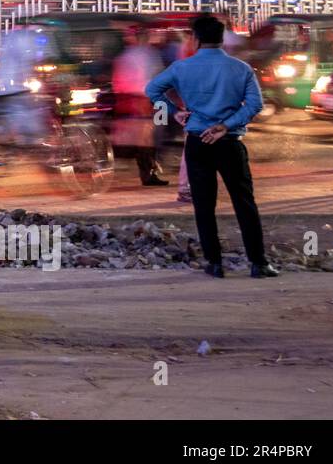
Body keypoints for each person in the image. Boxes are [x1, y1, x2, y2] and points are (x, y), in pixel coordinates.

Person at [145, 14, 277, 278]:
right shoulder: (241, 68)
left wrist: (176, 112)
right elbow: (254, 105)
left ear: (195, 39)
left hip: (197, 143)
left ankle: (214, 263)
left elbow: (152, 90)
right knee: (244, 203)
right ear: (221, 38)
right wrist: (225, 126)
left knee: (204, 206)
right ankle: (258, 263)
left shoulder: (182, 68)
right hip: (229, 143)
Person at [112, 28, 168, 186]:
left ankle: (148, 171)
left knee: (146, 137)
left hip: (133, 99)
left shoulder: (126, 56)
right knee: (149, 137)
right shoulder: (150, 55)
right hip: (146, 99)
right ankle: (149, 173)